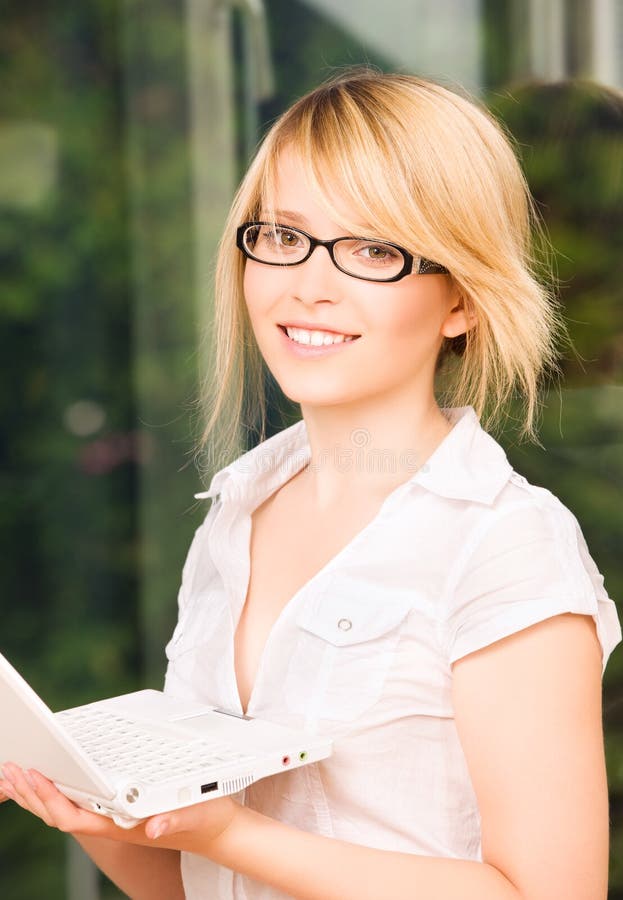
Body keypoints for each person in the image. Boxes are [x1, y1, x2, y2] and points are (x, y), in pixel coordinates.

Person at [1, 69, 621, 900]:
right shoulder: (235, 514)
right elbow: (192, 885)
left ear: (461, 302)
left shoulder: (502, 544)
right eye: (283, 237)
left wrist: (235, 833)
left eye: (372, 249)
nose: (308, 285)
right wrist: (96, 809)